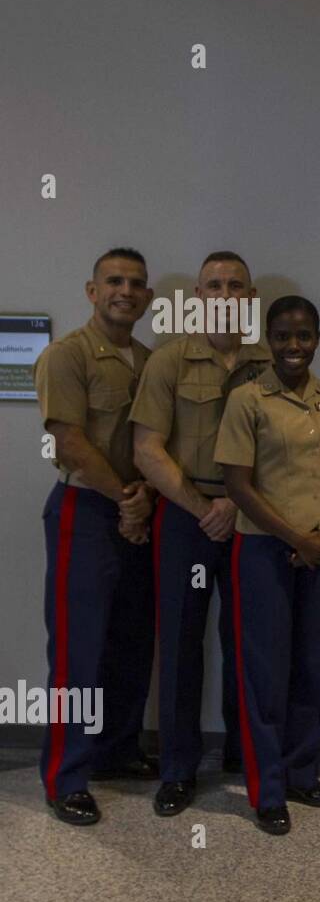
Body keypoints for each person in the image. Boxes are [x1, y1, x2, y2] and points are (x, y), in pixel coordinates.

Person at [131, 251, 272, 816]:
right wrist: (202, 506)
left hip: (254, 519)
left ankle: (245, 755)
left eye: (236, 286)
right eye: (214, 286)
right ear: (195, 297)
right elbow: (147, 449)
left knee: (249, 642)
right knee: (182, 644)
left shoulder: (271, 362)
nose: (225, 295)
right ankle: (178, 769)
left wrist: (238, 510)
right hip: (185, 517)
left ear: (251, 297)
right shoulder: (168, 362)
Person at [213, 296, 320, 835]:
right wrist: (297, 538)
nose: (294, 346)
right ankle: (267, 790)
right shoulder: (247, 400)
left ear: (317, 337)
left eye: (304, 336)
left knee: (311, 669)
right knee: (263, 675)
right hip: (263, 553)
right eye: (283, 336)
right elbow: (237, 485)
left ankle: (301, 773)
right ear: (268, 339)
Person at [34, 248, 158, 825]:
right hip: (84, 514)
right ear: (91, 290)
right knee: (76, 651)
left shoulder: (150, 361)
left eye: (135, 283)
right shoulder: (68, 355)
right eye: (113, 281)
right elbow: (69, 441)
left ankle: (116, 751)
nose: (124, 291)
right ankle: (66, 776)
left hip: (139, 515)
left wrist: (139, 505)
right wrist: (127, 500)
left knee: (131, 643)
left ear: (149, 298)